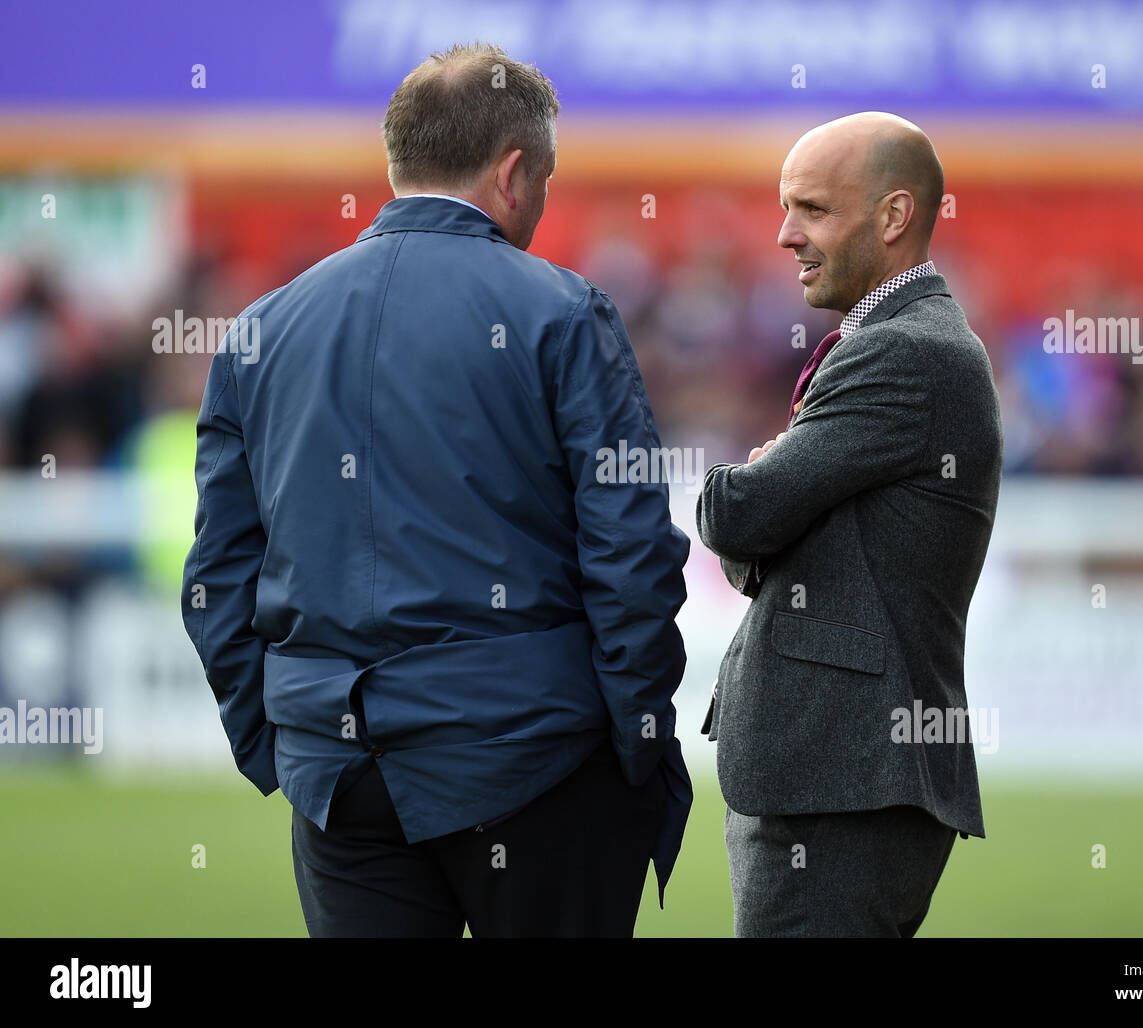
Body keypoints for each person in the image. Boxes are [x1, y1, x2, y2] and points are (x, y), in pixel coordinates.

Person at [181, 42, 691, 938]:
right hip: (535, 760)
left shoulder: (259, 330)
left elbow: (219, 576)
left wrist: (281, 745)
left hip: (341, 777)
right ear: (514, 170)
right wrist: (639, 745)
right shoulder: (565, 313)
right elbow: (634, 557)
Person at [697, 112, 1002, 937]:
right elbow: (758, 546)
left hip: (845, 777)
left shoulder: (904, 352)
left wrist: (752, 482)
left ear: (894, 216)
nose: (785, 234)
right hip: (840, 775)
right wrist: (761, 507)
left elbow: (737, 512)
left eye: (813, 209)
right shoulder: (900, 342)